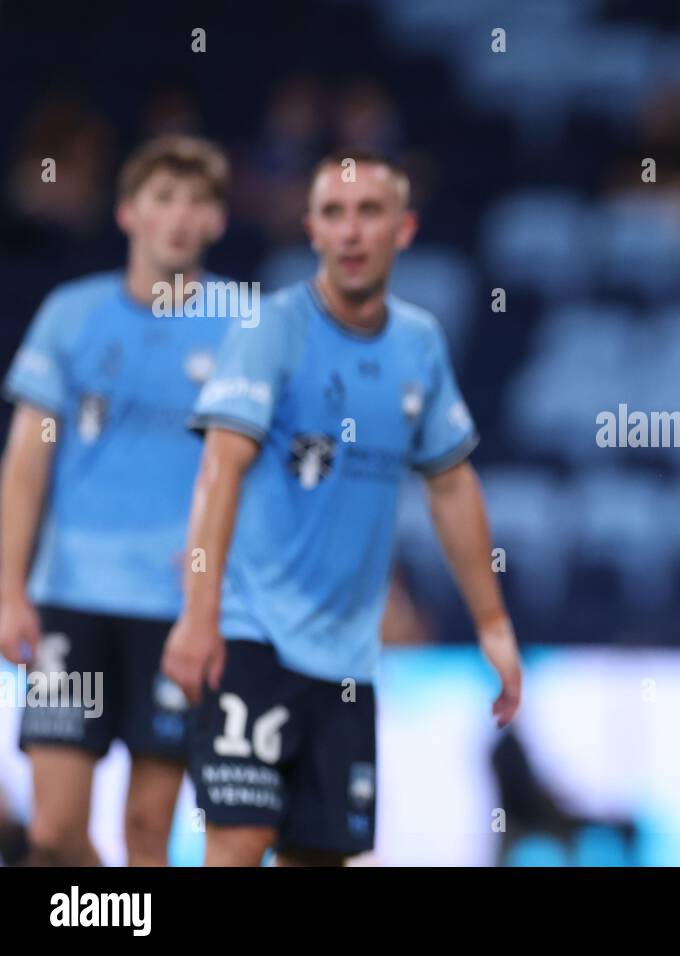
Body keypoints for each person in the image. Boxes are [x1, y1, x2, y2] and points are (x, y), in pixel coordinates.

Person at [162, 151, 522, 866]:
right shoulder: (273, 329)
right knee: (236, 841)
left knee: (322, 858)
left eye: (368, 212)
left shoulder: (418, 344)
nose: (351, 231)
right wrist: (199, 615)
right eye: (333, 214)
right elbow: (218, 472)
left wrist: (492, 622)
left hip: (349, 661)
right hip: (249, 634)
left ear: (405, 228)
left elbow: (450, 483)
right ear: (312, 232)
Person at [0, 135, 232, 865]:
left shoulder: (243, 324)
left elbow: (256, 472)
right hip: (72, 597)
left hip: (175, 612)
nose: (180, 217)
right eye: (164, 198)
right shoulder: (72, 314)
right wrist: (8, 587)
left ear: (219, 221)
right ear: (129, 211)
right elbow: (25, 463)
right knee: (53, 832)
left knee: (147, 832)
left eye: (197, 201)